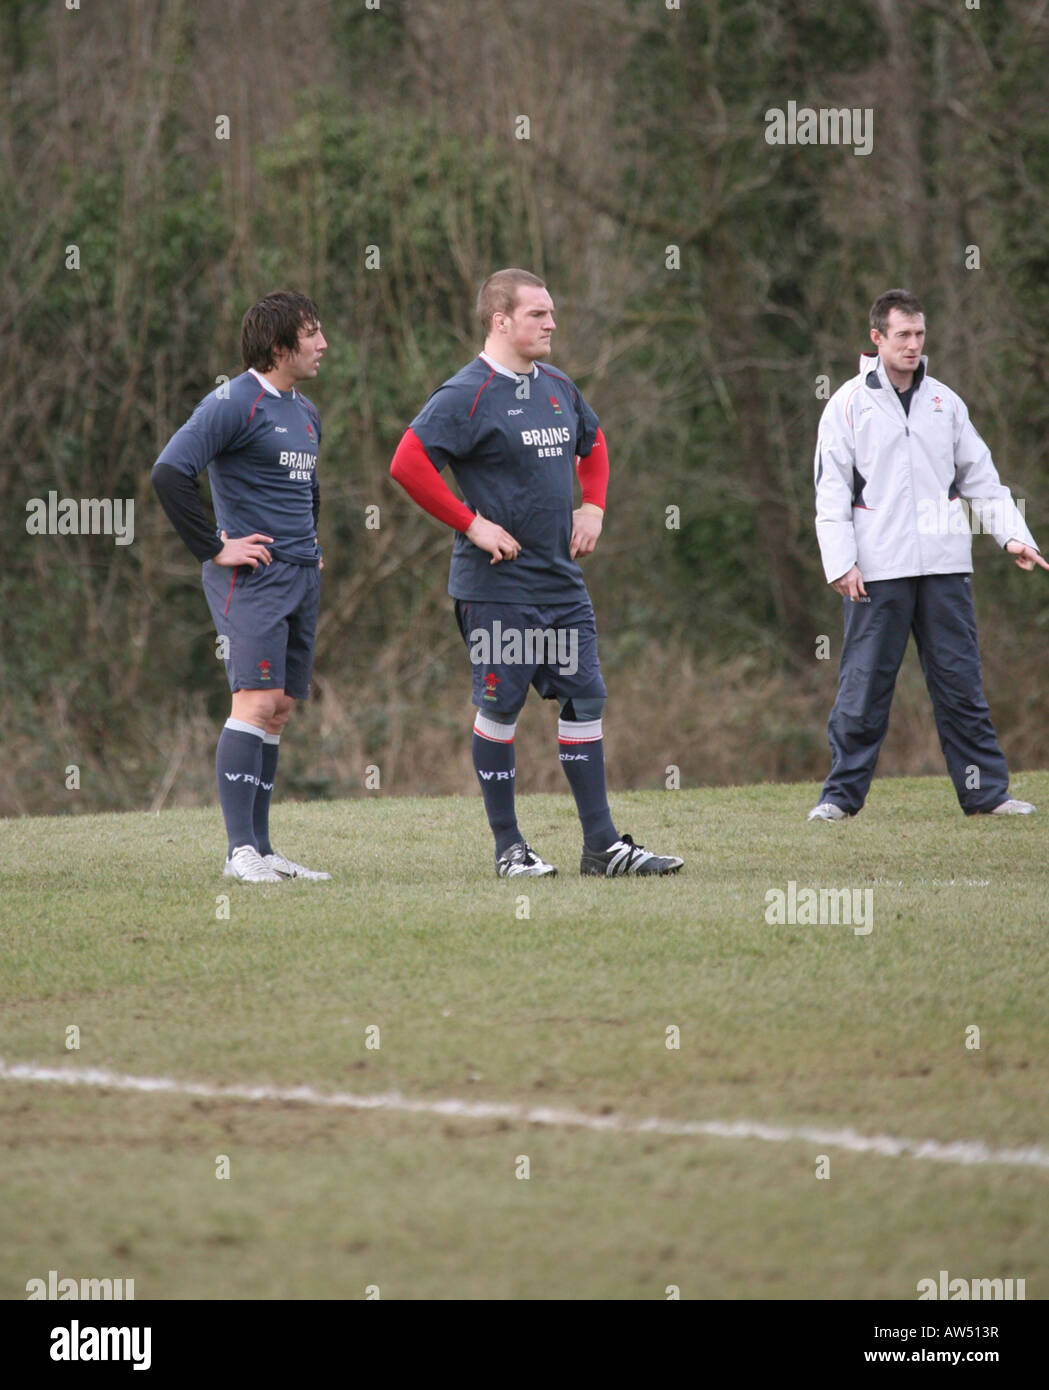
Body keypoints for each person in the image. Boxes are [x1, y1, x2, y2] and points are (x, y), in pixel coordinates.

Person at [390, 268, 683, 878]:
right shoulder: (464, 394)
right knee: (501, 709)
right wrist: (470, 523)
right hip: (496, 589)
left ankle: (602, 848)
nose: (551, 324)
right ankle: (508, 849)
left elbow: (594, 443)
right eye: (537, 315)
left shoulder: (557, 386)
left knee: (586, 698)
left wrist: (594, 505)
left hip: (561, 585)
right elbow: (408, 462)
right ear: (500, 321)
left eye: (551, 313)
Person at [810, 287, 1047, 821]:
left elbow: (982, 478)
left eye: (919, 334)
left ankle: (987, 796)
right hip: (876, 570)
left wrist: (1014, 536)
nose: (913, 345)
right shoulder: (846, 404)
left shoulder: (946, 402)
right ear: (877, 338)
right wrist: (840, 562)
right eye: (903, 335)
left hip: (946, 568)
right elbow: (829, 492)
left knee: (961, 687)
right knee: (863, 689)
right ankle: (839, 800)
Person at [152, 290, 331, 881]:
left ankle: (263, 847)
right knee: (253, 702)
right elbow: (170, 471)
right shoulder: (233, 402)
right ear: (280, 346)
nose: (323, 345)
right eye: (312, 335)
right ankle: (237, 854)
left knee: (277, 709)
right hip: (251, 580)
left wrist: (312, 547)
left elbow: (307, 492)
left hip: (301, 576)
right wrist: (214, 546)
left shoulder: (306, 413)